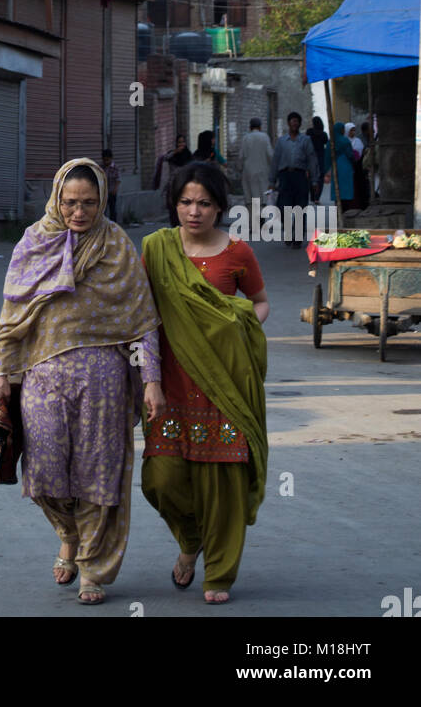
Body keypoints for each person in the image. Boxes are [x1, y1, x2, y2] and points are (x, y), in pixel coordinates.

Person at [0, 158, 164, 606]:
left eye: (89, 203)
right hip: (42, 380)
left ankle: (91, 567)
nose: (79, 212)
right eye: (70, 202)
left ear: (102, 200)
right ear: (56, 199)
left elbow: (143, 320)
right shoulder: (34, 242)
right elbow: (11, 318)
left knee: (98, 476)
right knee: (45, 474)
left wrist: (151, 380)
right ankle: (67, 534)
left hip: (105, 383)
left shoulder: (117, 246)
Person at [140, 162, 269, 604]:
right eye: (185, 202)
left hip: (224, 382)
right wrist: (146, 379)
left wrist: (240, 327)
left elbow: (259, 303)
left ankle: (219, 572)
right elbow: (142, 315)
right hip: (170, 381)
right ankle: (190, 540)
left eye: (204, 203)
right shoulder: (156, 249)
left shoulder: (238, 253)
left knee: (224, 482)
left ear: (219, 207)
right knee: (161, 477)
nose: (193, 212)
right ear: (173, 205)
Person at [270, 112, 320, 247]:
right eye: (292, 121)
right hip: (285, 177)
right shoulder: (281, 141)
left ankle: (297, 239)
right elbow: (275, 161)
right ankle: (288, 232)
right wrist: (272, 181)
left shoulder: (306, 140)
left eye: (297, 121)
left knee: (300, 208)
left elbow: (312, 160)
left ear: (299, 124)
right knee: (283, 207)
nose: (294, 124)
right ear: (288, 123)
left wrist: (315, 180)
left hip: (300, 177)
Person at [239, 119, 273, 231]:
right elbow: (270, 154)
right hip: (263, 172)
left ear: (250, 127)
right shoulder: (265, 137)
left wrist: (240, 169)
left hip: (248, 172)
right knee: (263, 198)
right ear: (260, 127)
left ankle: (252, 225)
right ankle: (262, 222)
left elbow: (241, 156)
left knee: (250, 199)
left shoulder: (246, 138)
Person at [153, 134, 193, 227]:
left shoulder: (188, 155)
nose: (181, 144)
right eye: (179, 142)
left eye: (183, 142)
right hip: (173, 185)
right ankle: (175, 227)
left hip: (185, 185)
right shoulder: (172, 155)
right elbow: (165, 158)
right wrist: (175, 152)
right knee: (173, 207)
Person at [324, 122, 355, 214]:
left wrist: (327, 171)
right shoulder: (345, 141)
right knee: (346, 190)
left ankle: (338, 212)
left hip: (336, 167)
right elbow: (350, 155)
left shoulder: (331, 142)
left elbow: (327, 157)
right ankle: (346, 212)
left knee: (337, 190)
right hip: (345, 166)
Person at [305, 117, 329, 203]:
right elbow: (326, 143)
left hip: (311, 156)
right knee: (320, 178)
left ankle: (312, 196)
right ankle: (317, 197)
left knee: (311, 177)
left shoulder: (309, 132)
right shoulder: (323, 134)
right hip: (320, 157)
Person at [346, 123, 369, 209]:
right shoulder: (345, 141)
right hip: (348, 167)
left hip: (358, 167)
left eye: (354, 130)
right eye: (351, 130)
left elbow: (362, 151)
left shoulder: (358, 141)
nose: (353, 132)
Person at [102, 150, 121, 222]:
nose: (106, 162)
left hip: (112, 191)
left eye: (107, 160)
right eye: (104, 160)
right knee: (103, 210)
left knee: (112, 209)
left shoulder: (114, 167)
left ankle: (113, 225)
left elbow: (118, 179)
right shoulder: (101, 167)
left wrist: (115, 189)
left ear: (111, 158)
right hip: (103, 193)